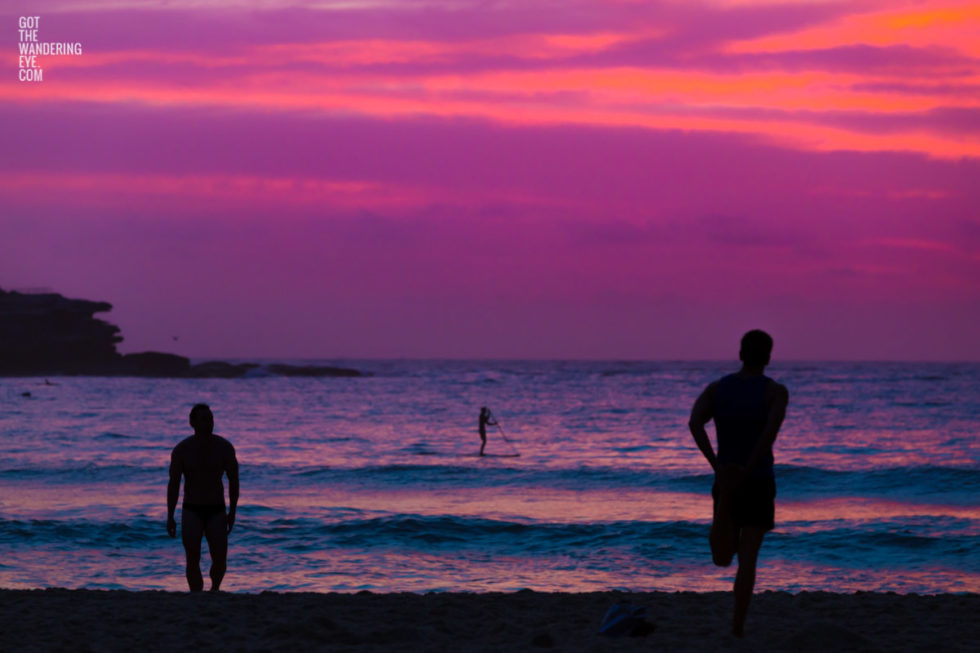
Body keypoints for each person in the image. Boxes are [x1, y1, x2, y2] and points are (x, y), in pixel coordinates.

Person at [688, 330, 788, 637]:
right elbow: (768, 434)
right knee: (746, 558)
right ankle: (738, 627)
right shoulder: (775, 392)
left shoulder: (718, 389)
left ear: (741, 354)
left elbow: (695, 422)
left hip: (729, 478)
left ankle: (737, 627)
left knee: (723, 558)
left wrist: (719, 468)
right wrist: (743, 471)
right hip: (755, 479)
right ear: (768, 357)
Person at [167, 403, 239, 592]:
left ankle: (215, 589)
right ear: (193, 423)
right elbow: (173, 484)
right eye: (204, 420)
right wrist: (170, 515)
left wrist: (233, 512)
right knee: (192, 557)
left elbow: (234, 480)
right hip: (192, 508)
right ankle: (196, 595)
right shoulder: (182, 450)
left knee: (220, 559)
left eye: (211, 419)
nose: (208, 424)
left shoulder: (224, 447)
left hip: (216, 509)